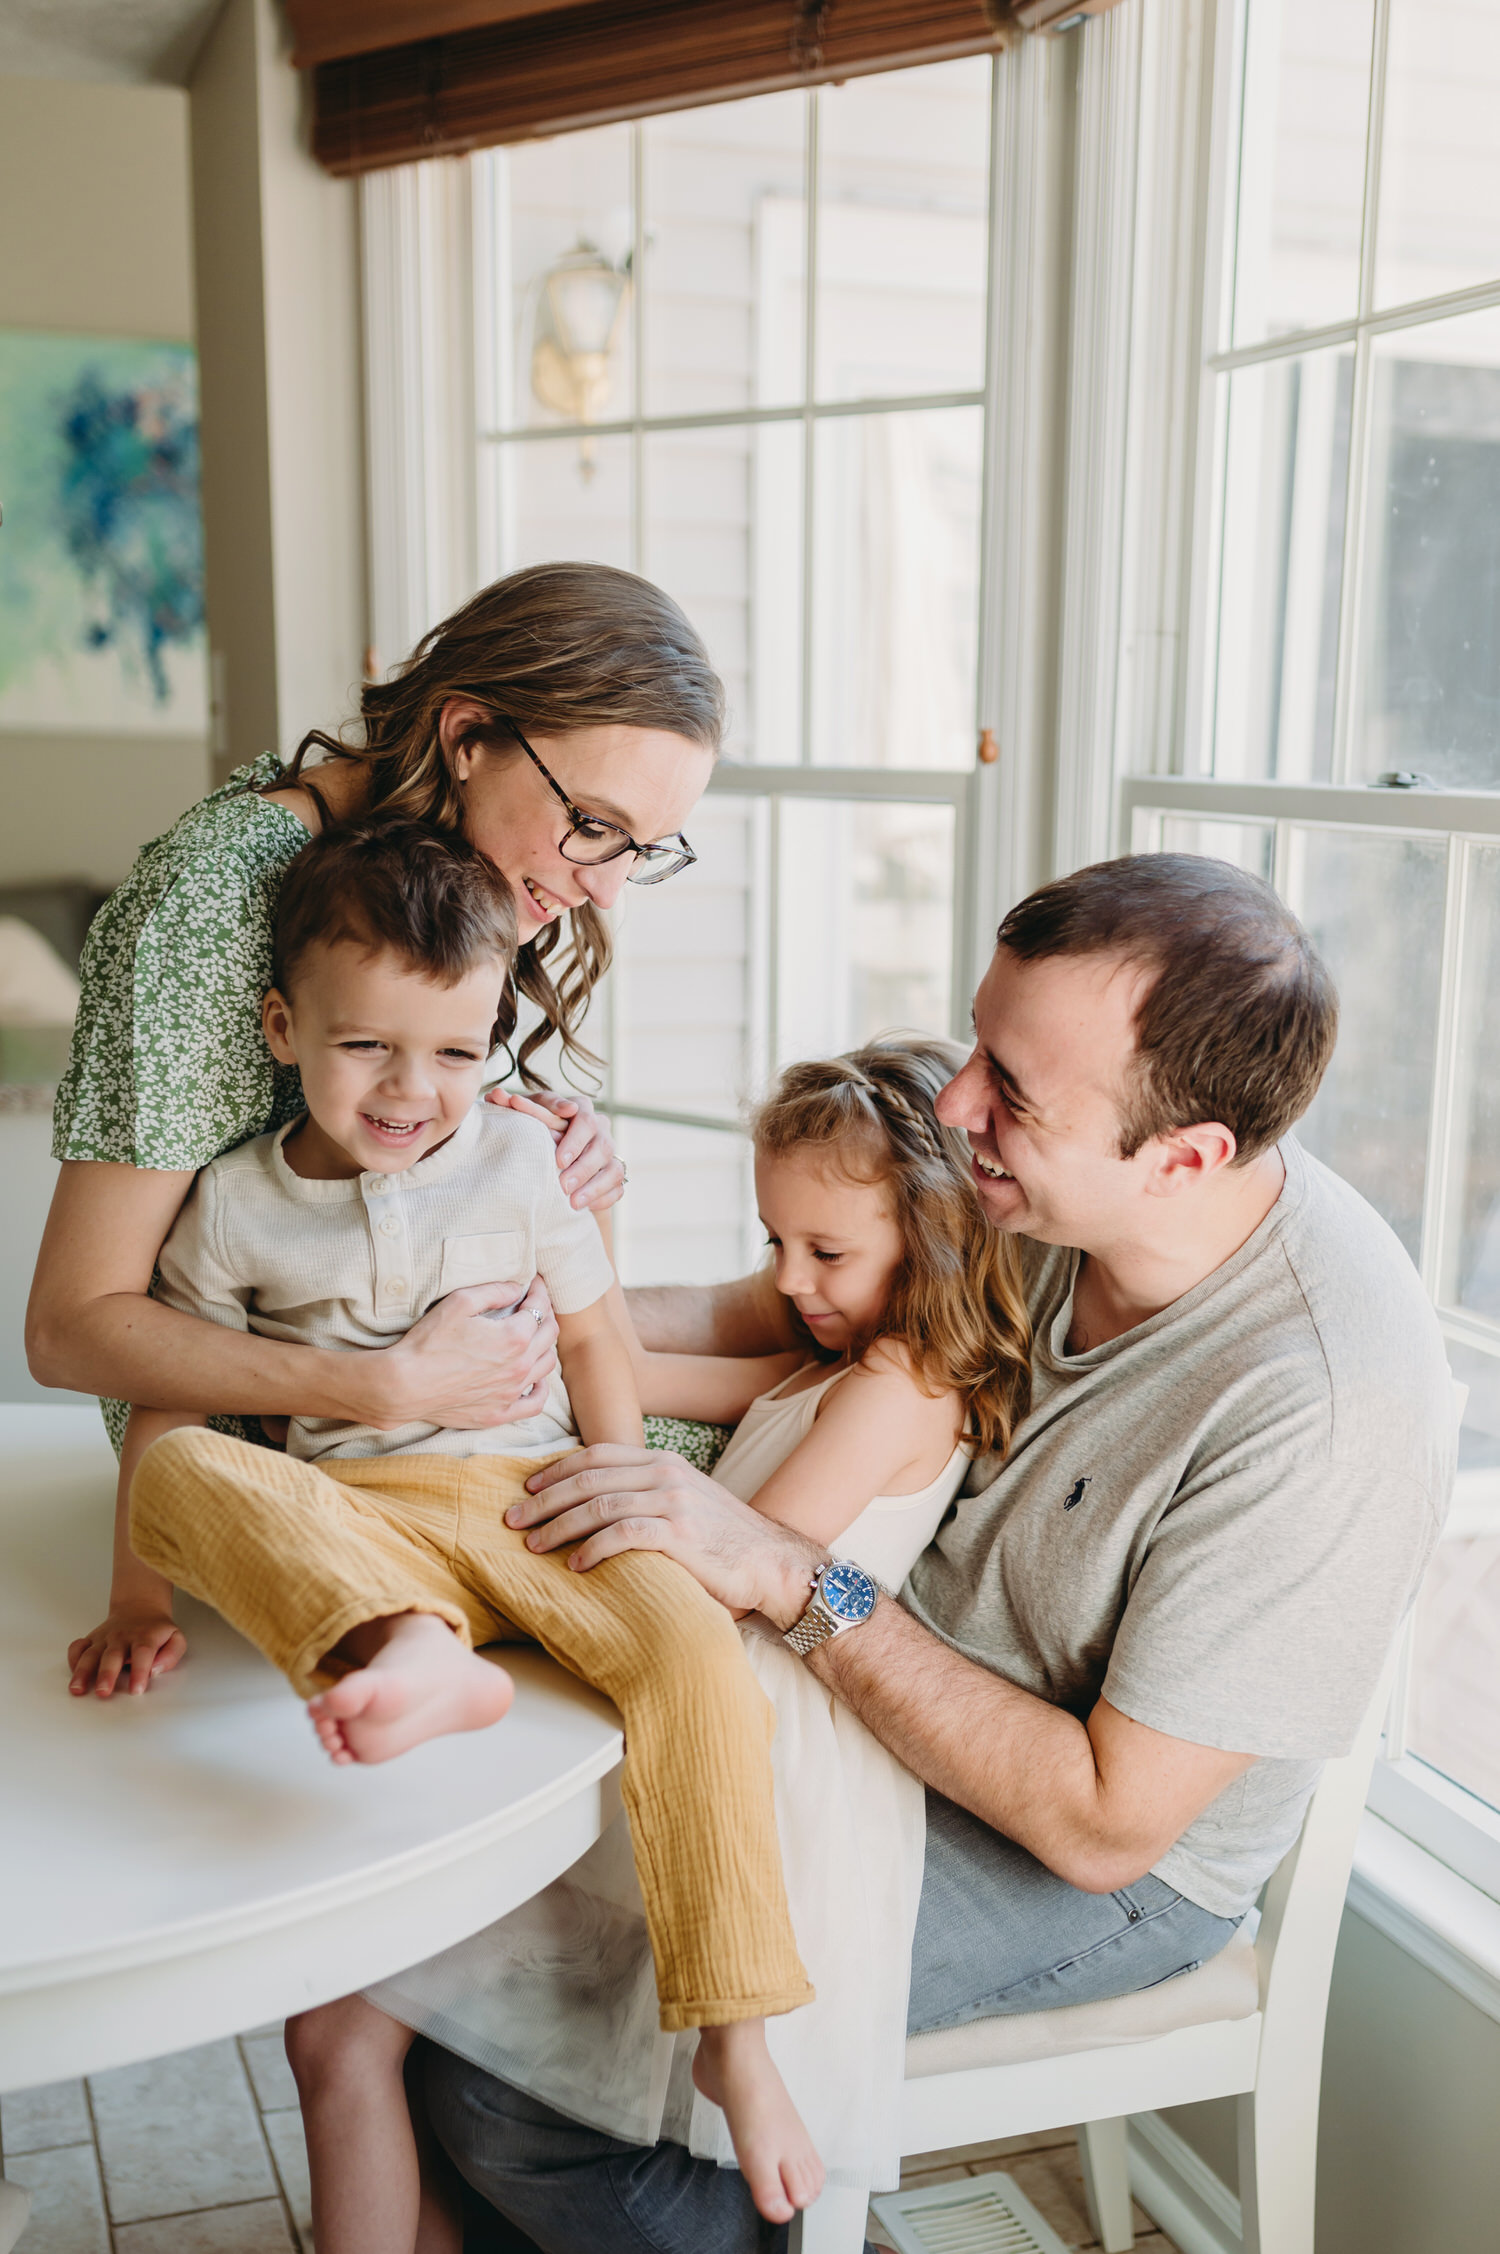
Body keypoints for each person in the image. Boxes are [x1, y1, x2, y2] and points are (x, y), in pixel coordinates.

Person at [421, 854, 1455, 2254]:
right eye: (979, 1044)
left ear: (1187, 1156)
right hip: (883, 1708)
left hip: (1094, 1854)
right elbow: (766, 1317)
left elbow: (1107, 1819)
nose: (958, 1102)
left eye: (1012, 1090)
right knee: (478, 1931)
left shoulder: (1322, 1403)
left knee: (503, 2068)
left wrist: (793, 1572)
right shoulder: (1029, 1186)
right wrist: (509, 1301)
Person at [69, 819, 823, 2243]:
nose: (416, 1092)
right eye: (369, 1050)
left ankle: (739, 2034)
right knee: (184, 1472)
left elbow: (598, 1339)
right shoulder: (234, 1207)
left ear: (496, 1041)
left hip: (537, 1502)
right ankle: (415, 1651)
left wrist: (628, 1487)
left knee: (694, 1662)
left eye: (459, 1053)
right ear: (285, 1027)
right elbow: (171, 1409)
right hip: (361, 1527)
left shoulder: (523, 1167)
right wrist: (139, 1602)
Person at [357, 1036, 1032, 2202]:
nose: (791, 1278)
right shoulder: (824, 1366)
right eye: (776, 1241)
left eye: (828, 1249)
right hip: (714, 1691)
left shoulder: (900, 1387)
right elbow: (608, 1366)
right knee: (401, 1996)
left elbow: (734, 1565)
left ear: (934, 1237)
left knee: (449, 1978)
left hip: (766, 1736)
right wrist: (581, 1218)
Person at [27, 561, 721, 1472]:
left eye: (639, 850)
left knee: (786, 1412)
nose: (602, 889)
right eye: (592, 824)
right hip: (278, 1441)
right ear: (469, 734)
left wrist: (541, 1147)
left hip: (449, 1363)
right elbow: (69, 1329)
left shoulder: (450, 876)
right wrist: (378, 1387)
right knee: (758, 1478)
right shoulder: (212, 901)